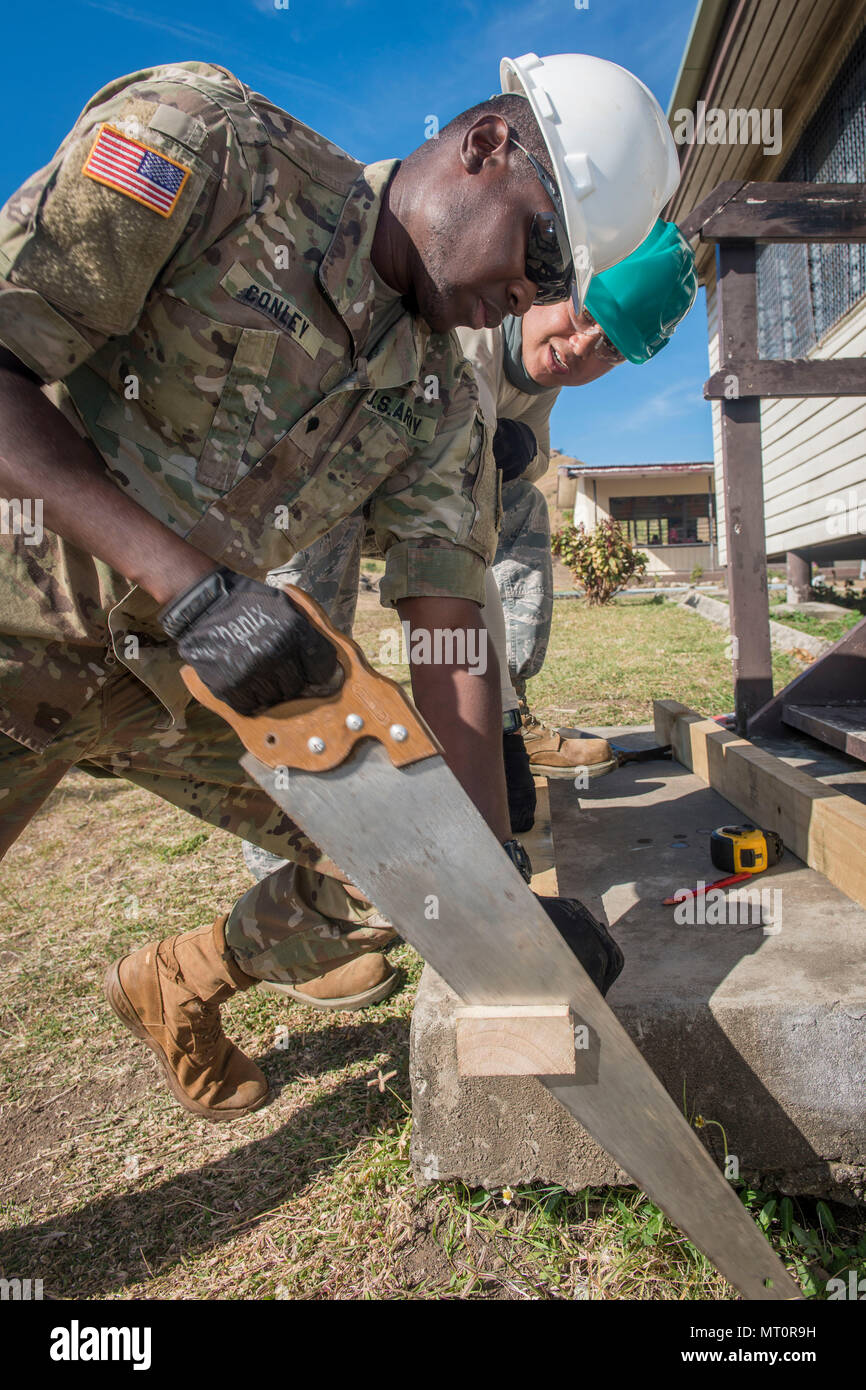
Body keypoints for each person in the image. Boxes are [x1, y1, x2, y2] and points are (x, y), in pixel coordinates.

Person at [0, 55, 678, 1118]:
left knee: (410, 874)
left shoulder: (443, 404)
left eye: (552, 285)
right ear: (486, 146)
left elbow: (449, 627)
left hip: (171, 687)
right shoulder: (211, 149)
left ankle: (177, 980)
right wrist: (187, 584)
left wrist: (492, 881)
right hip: (18, 626)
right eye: (539, 251)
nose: (526, 296)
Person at [254, 220, 697, 864]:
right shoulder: (474, 331)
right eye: (584, 317)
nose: (582, 347)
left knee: (518, 506)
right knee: (303, 636)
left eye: (611, 351)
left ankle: (508, 712)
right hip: (325, 481)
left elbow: (503, 487)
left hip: (422, 497)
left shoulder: (538, 374)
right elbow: (458, 548)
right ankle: (291, 864)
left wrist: (520, 454)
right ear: (551, 282)